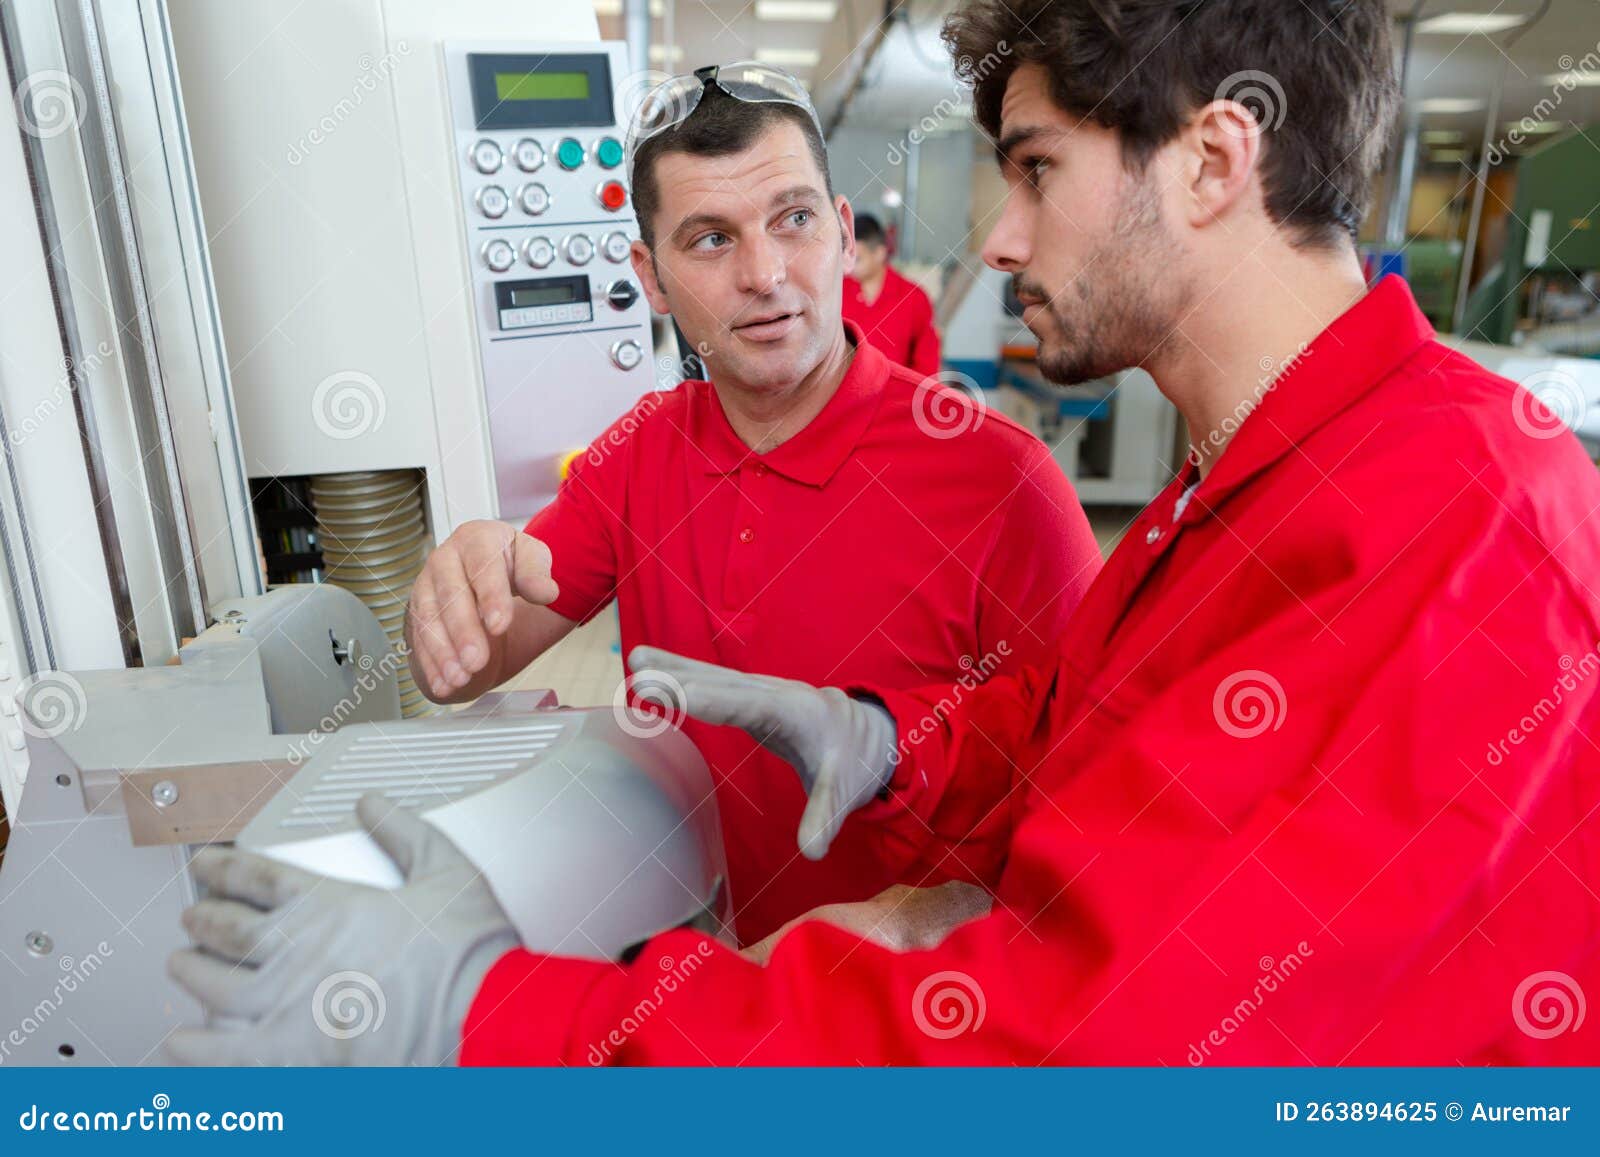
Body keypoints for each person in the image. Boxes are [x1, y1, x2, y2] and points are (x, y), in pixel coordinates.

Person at [166, 0, 1600, 1066]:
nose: (1000, 239)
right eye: (707, 240)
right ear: (652, 273)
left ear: (1215, 160)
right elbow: (1091, 730)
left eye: (1034, 169)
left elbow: (1069, 1045)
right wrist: (885, 738)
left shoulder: (1445, 517)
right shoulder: (1250, 487)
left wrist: (493, 1007)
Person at [368, 66, 1098, 948]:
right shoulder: (639, 454)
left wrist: (914, 928)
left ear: (841, 232)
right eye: (711, 239)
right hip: (716, 983)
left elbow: (1104, 811)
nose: (764, 274)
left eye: (793, 220)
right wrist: (457, 586)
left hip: (925, 1010)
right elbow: (463, 666)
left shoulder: (1003, 481)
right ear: (652, 278)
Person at [842, 213, 942, 376]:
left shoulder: (913, 298)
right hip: (847, 390)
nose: (849, 266)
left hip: (897, 391)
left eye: (857, 259)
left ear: (879, 253)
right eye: (847, 257)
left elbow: (927, 362)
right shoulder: (838, 293)